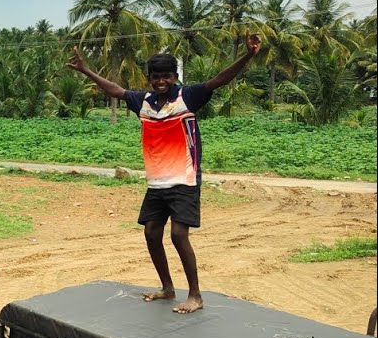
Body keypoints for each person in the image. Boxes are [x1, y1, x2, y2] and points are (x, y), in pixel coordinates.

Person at [67, 34, 261, 314]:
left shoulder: (188, 97)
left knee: (179, 235)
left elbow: (220, 79)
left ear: (175, 76)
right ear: (149, 78)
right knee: (151, 232)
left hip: (184, 178)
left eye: (167, 76)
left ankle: (195, 295)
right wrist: (86, 70)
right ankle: (168, 288)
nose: (161, 81)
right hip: (157, 182)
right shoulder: (143, 102)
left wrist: (248, 56)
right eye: (156, 76)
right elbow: (115, 91)